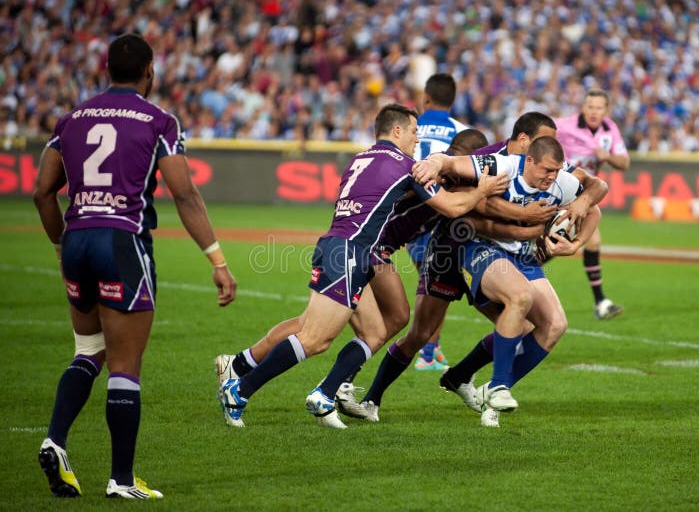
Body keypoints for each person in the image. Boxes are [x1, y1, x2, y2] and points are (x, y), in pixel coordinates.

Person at [32, 34, 237, 499]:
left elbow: (43, 190)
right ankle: (121, 480)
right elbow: (184, 192)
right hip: (122, 242)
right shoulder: (159, 119)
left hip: (79, 238)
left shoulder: (72, 118)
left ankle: (55, 441)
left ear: (107, 70)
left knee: (89, 349)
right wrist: (217, 260)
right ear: (149, 72)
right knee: (125, 366)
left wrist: (61, 245)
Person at [217, 104, 509, 428]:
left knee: (375, 330)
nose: (417, 139)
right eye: (414, 132)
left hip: (345, 248)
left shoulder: (360, 158)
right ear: (397, 131)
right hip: (350, 252)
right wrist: (482, 189)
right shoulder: (405, 166)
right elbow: (452, 207)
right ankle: (240, 389)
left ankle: (326, 393)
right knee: (315, 338)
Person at [357, 114, 604, 422]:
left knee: (525, 323)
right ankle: (371, 398)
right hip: (453, 251)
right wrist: (524, 224)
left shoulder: (548, 170)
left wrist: (579, 211)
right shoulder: (491, 161)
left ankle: (464, 377)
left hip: (497, 256)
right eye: (544, 139)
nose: (551, 147)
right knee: (420, 333)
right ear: (526, 143)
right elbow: (471, 212)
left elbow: (594, 187)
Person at [408, 73, 469, 371]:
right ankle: (427, 351)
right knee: (438, 284)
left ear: (426, 98)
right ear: (453, 100)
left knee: (431, 281)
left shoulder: (408, 127)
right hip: (445, 212)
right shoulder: (463, 131)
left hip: (410, 212)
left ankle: (431, 349)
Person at [555, 88, 629, 319]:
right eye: (590, 107)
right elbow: (540, 133)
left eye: (599, 107)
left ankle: (601, 302)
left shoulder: (610, 130)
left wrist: (607, 156)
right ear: (583, 107)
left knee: (573, 240)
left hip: (586, 192)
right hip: (560, 187)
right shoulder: (564, 125)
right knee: (588, 239)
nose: (594, 111)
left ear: (606, 110)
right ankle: (601, 302)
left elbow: (624, 162)